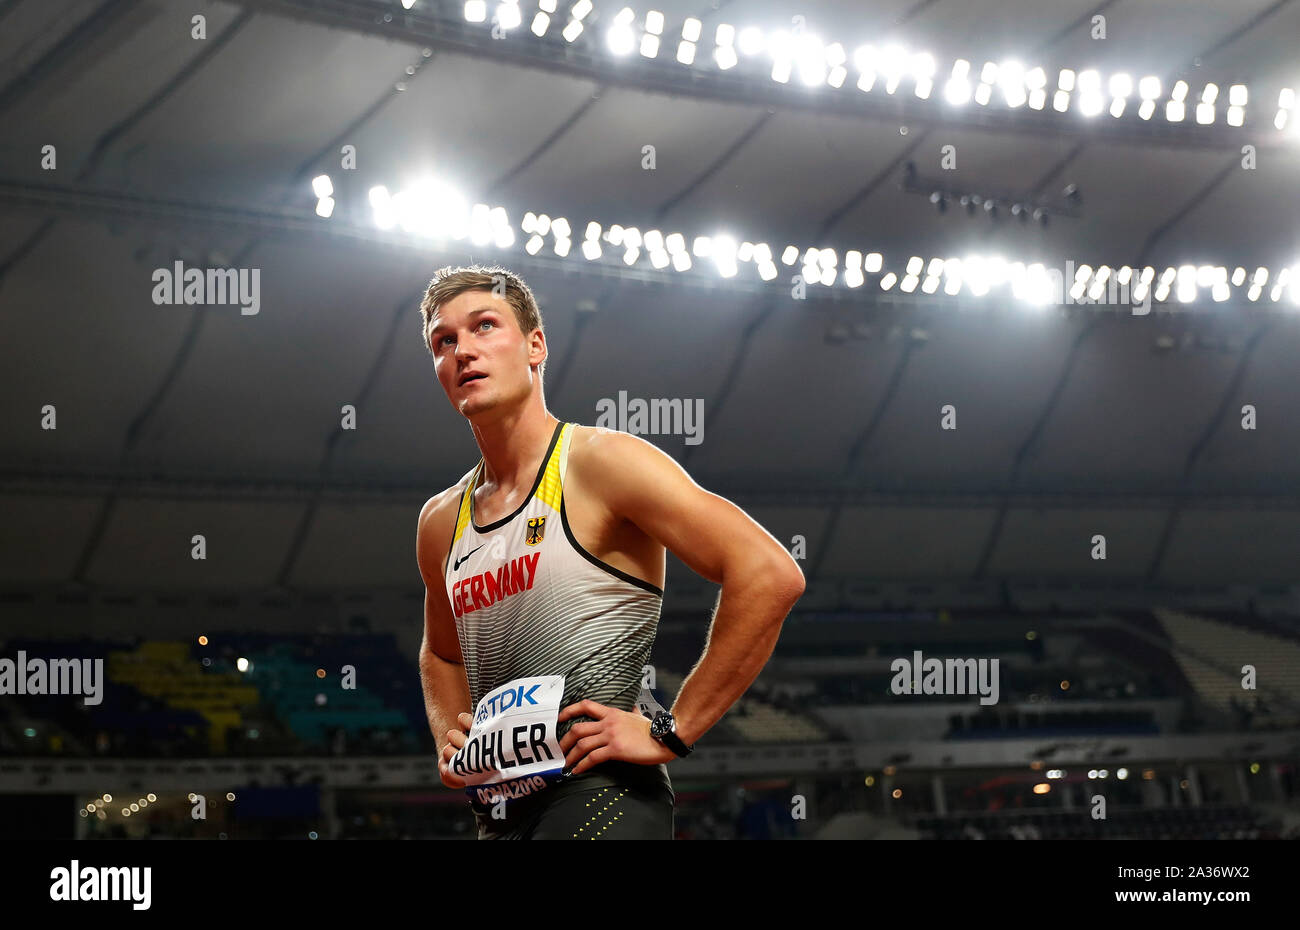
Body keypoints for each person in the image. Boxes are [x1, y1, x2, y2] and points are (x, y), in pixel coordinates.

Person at [414, 264, 805, 839]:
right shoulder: (441, 519)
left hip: (602, 794)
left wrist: (673, 730)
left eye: (484, 326)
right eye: (444, 341)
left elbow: (769, 573)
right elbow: (441, 654)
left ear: (535, 346)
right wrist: (453, 738)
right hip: (498, 812)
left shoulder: (602, 463)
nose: (463, 351)